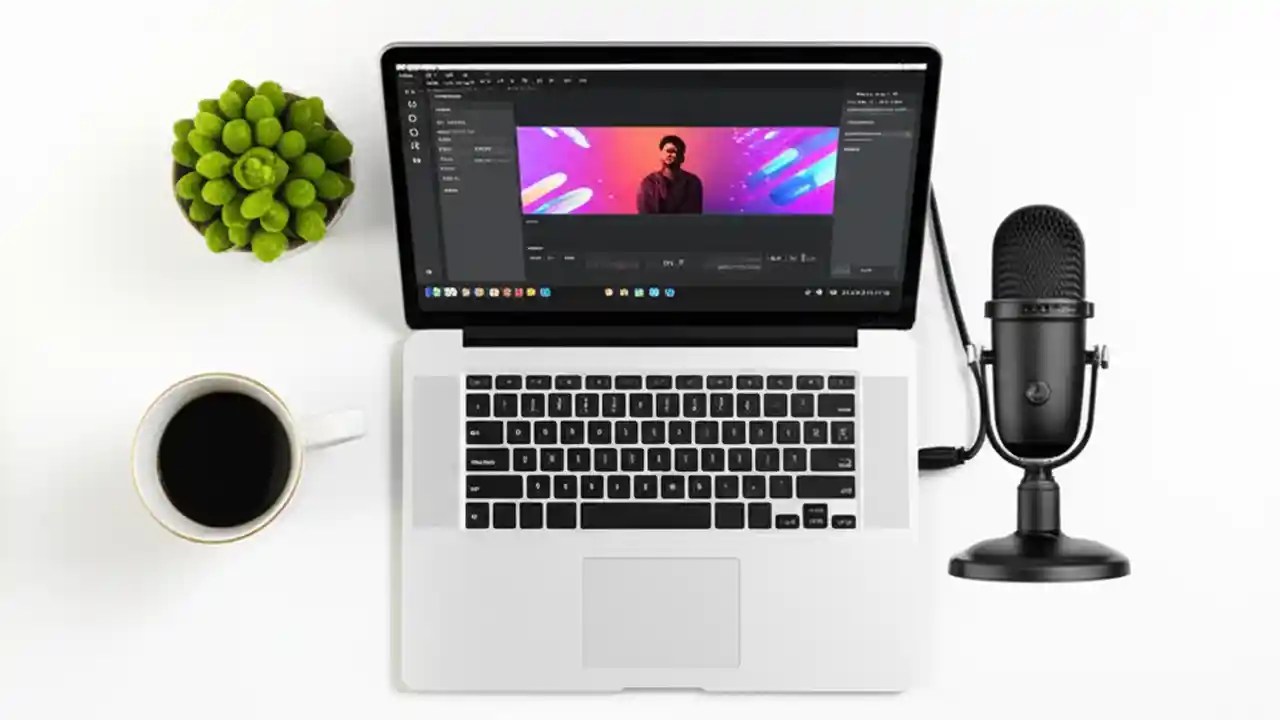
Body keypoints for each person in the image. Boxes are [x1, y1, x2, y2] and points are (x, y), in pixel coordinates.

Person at [636, 134, 703, 214]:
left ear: (682, 158)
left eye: (675, 152)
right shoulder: (649, 183)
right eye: (668, 151)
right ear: (661, 155)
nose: (670, 155)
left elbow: (694, 214)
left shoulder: (693, 182)